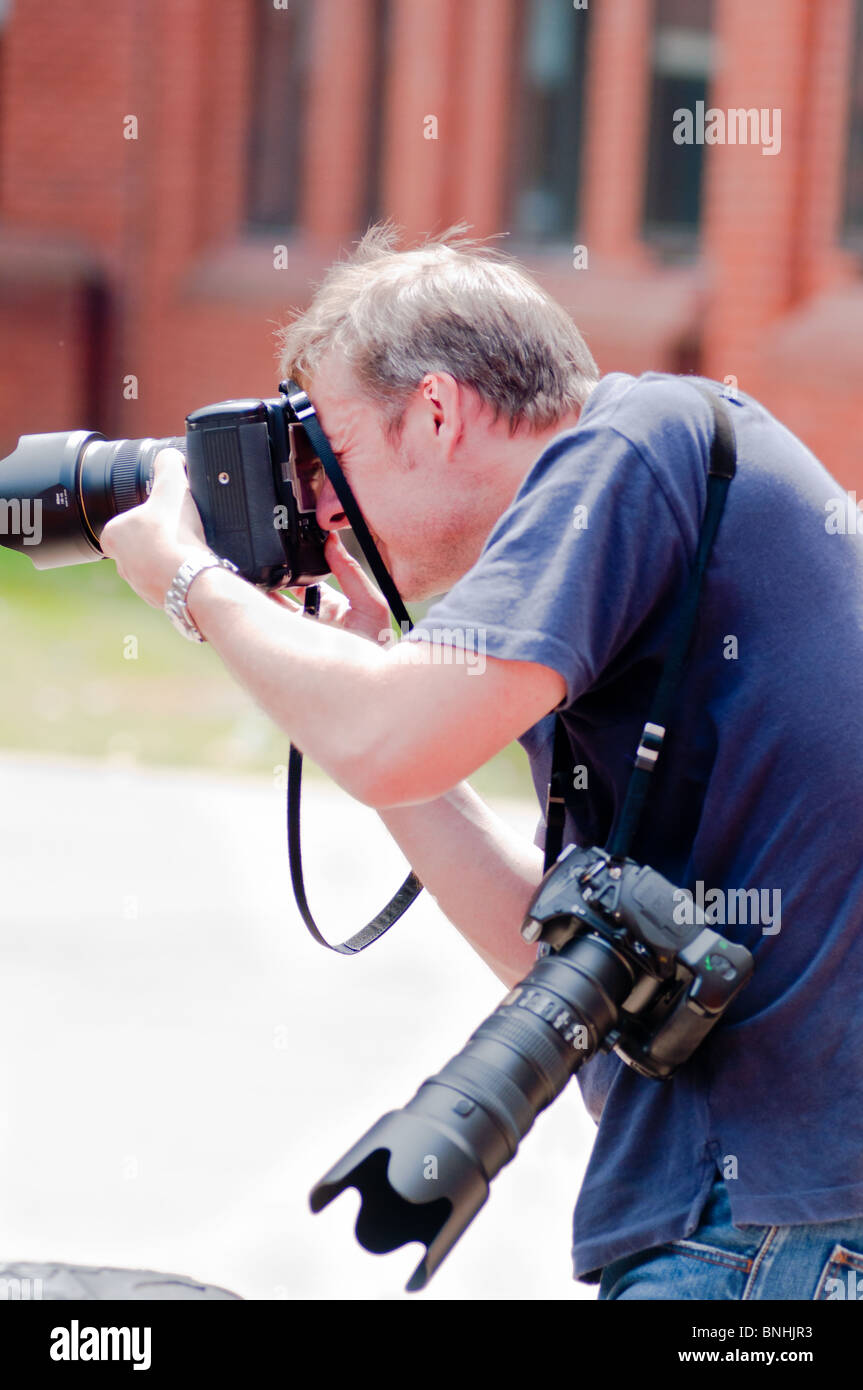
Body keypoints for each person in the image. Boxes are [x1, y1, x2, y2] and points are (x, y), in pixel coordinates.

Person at [100, 226, 863, 1301]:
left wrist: (189, 581)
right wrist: (366, 663)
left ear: (438, 410)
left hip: (756, 1230)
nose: (319, 505)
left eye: (330, 454)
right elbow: (539, 946)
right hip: (772, 1215)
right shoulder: (639, 543)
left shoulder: (632, 444)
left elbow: (387, 737)